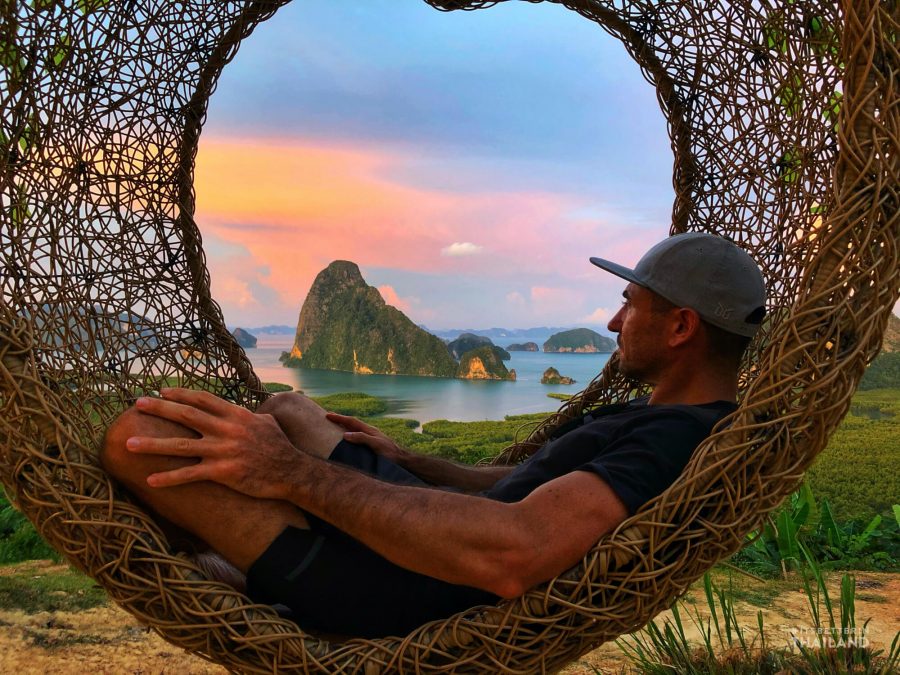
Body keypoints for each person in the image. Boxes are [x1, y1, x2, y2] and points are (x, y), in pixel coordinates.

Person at [101, 232, 766, 638]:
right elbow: (524, 492)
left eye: (633, 305)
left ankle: (254, 568)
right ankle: (250, 539)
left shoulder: (677, 438)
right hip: (437, 526)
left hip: (413, 579)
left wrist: (292, 475)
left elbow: (514, 551)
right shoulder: (657, 420)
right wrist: (407, 456)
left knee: (136, 434)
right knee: (292, 408)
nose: (616, 322)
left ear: (681, 328)